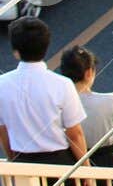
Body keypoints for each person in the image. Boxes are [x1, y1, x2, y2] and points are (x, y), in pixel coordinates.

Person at [0, 19, 86, 165]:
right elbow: (75, 133)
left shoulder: (3, 84)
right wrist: (86, 168)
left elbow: (3, 131)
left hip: (23, 161)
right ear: (46, 47)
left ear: (16, 52)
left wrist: (12, 159)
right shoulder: (62, 84)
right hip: (59, 161)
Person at [59, 48, 113, 169]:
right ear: (89, 73)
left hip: (73, 160)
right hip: (108, 159)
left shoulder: (59, 103)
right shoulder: (111, 99)